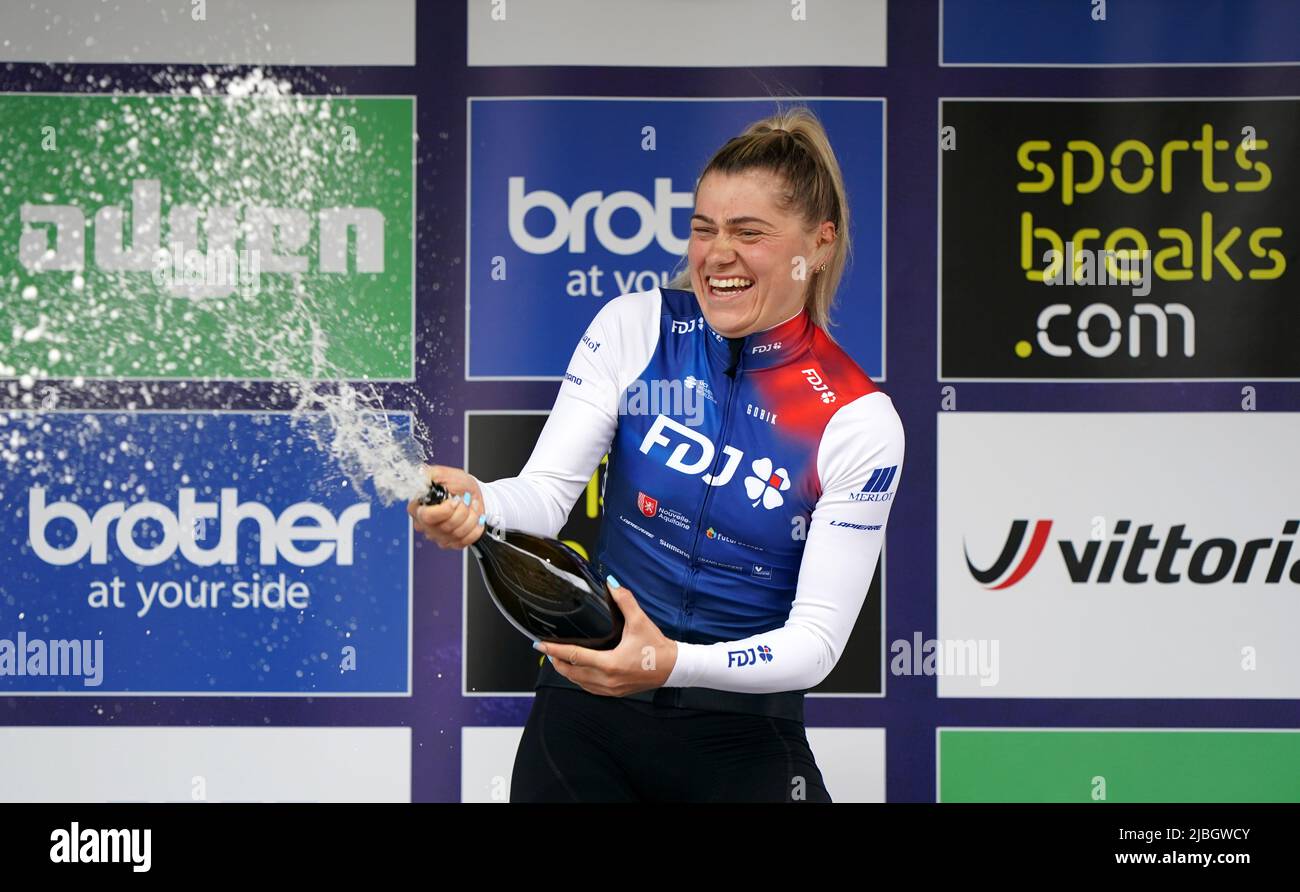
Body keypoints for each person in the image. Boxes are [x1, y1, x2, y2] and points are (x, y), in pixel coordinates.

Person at [408, 105, 904, 802]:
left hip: (742, 737)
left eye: (747, 233)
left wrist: (671, 663)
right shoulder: (635, 326)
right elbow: (546, 496)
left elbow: (816, 643)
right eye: (703, 229)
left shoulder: (857, 420)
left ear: (816, 245)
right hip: (585, 720)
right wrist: (479, 502)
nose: (716, 255)